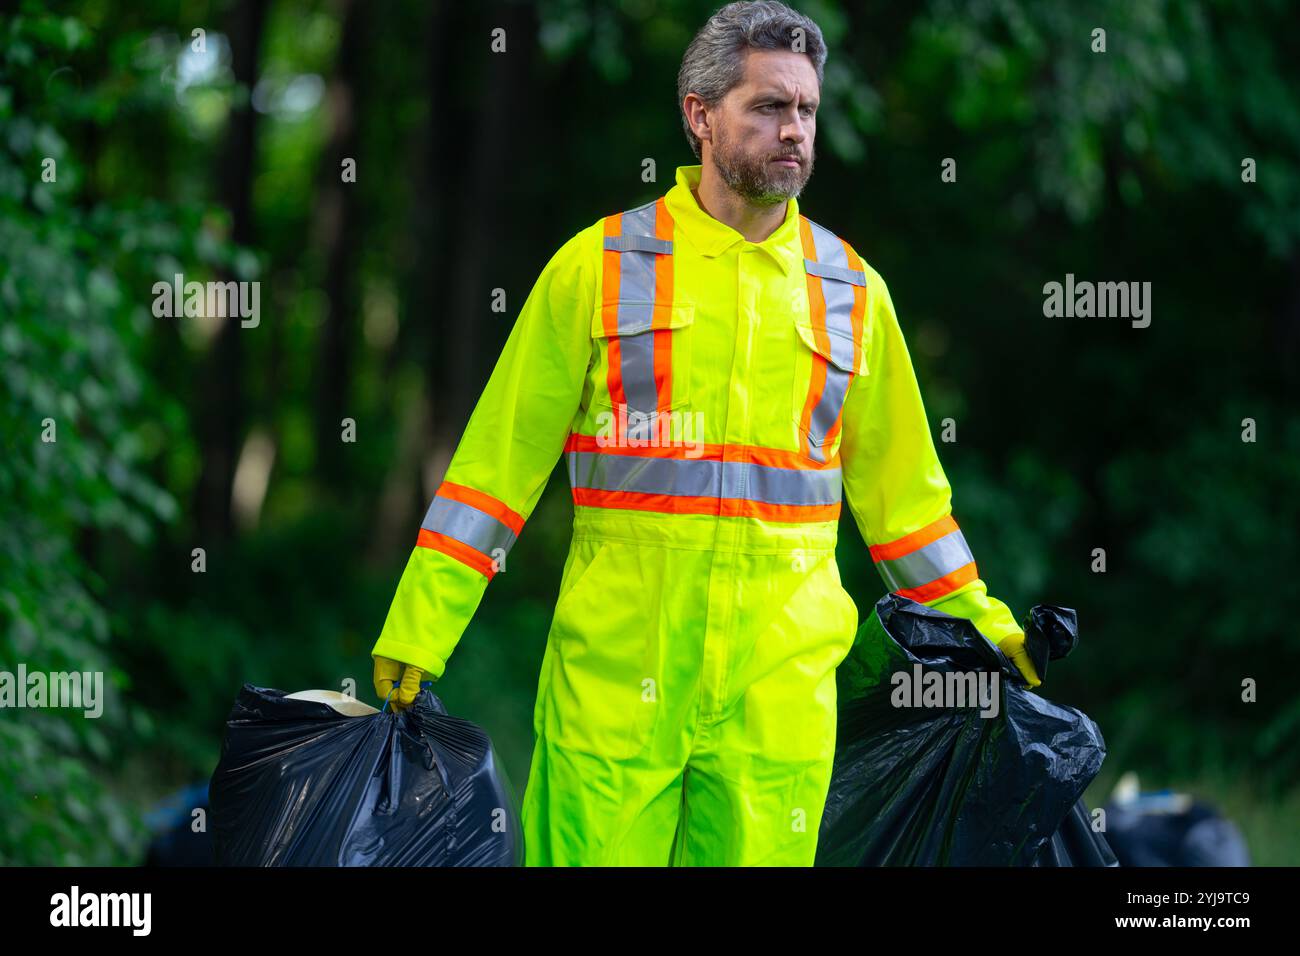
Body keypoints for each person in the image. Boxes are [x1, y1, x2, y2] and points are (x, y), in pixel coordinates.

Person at [371, 0, 1040, 866]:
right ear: (699, 115)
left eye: (805, 109)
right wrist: (419, 629)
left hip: (778, 700)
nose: (793, 129)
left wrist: (991, 633)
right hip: (615, 688)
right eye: (767, 106)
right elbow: (494, 476)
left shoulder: (853, 293)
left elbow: (908, 512)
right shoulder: (599, 267)